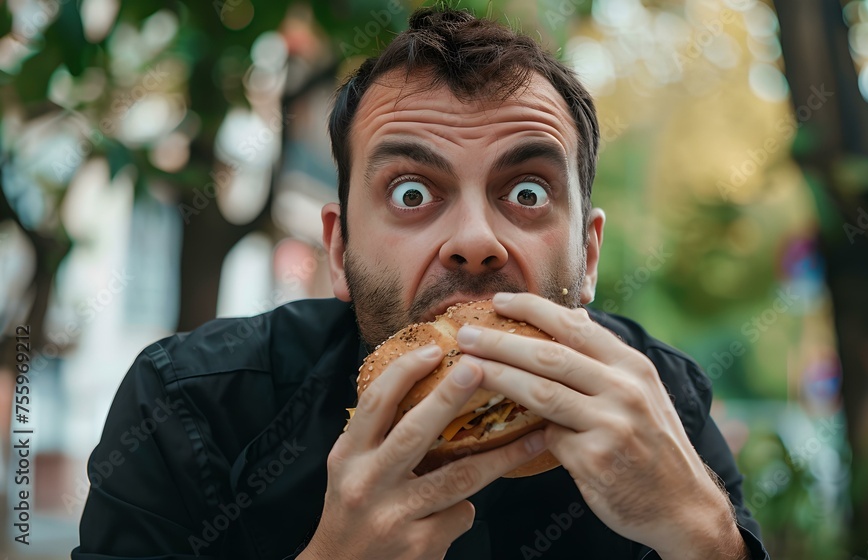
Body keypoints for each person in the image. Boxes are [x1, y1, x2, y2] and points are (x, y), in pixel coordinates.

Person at [73, 7, 769, 560]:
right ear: (340, 246)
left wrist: (707, 540)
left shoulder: (662, 401)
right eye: (411, 193)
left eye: (527, 192)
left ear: (588, 256)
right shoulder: (189, 406)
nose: (474, 240)